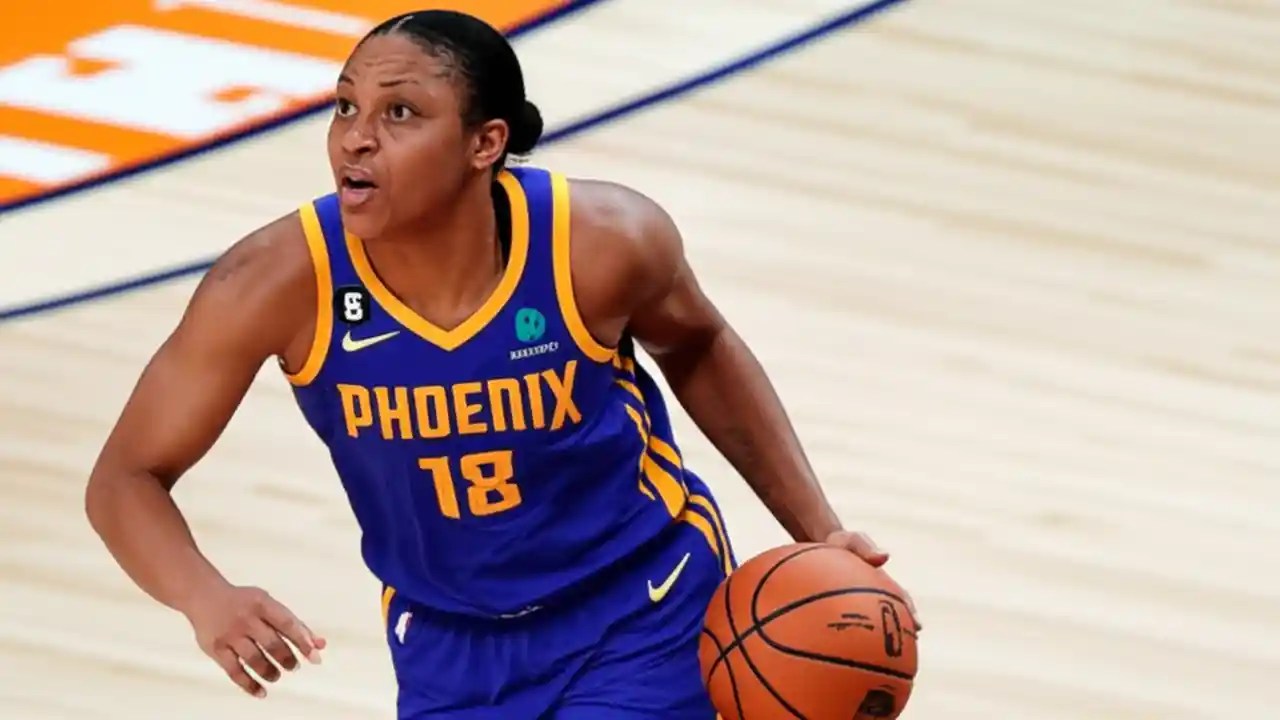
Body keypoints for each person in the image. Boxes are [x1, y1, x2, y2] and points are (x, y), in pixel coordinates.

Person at [84, 9, 911, 719]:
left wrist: (818, 532)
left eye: (400, 112)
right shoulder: (273, 283)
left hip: (642, 606)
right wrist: (205, 598)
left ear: (486, 143)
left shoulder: (603, 243)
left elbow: (698, 345)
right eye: (344, 106)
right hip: (448, 643)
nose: (357, 137)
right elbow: (125, 478)